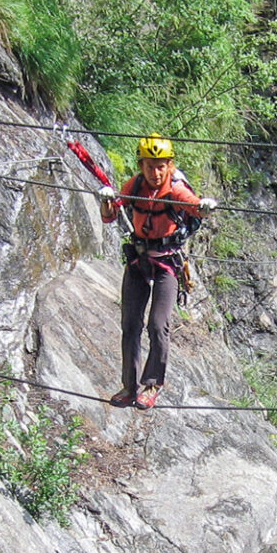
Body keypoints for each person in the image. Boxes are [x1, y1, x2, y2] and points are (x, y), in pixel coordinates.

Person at [99, 135, 214, 409]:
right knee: (130, 325)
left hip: (166, 264)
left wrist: (204, 207)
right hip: (139, 262)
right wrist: (106, 200)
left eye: (161, 166)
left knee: (158, 325)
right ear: (141, 165)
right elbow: (109, 215)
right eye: (150, 166)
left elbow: (193, 206)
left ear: (170, 165)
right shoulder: (135, 185)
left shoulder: (175, 190)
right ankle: (129, 387)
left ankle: (151, 385)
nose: (155, 172)